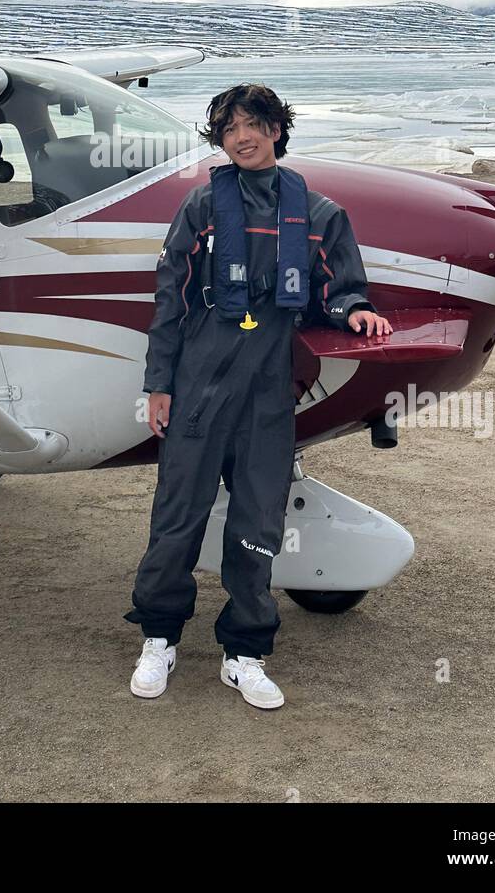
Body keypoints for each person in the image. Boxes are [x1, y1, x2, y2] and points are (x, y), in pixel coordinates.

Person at [125, 83, 393, 709]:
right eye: (228, 129)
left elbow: (342, 286)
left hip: (270, 383)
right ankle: (159, 637)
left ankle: (245, 651)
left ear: (276, 130)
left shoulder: (321, 214)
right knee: (177, 518)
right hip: (200, 379)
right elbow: (171, 301)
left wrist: (357, 312)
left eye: (252, 124)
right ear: (219, 140)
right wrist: (159, 385)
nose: (240, 137)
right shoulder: (201, 206)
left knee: (258, 521)